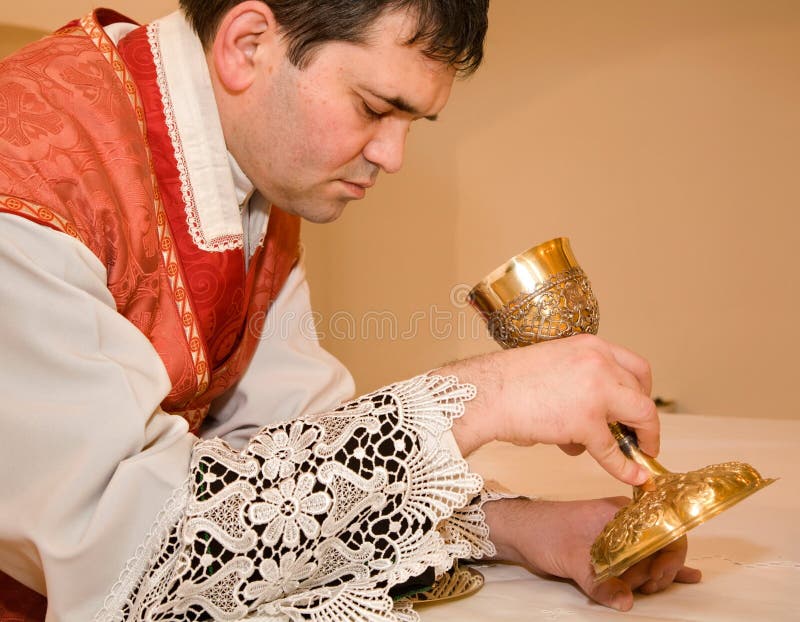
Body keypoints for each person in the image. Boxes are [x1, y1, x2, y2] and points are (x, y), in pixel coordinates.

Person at [0, 1, 701, 620]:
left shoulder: (254, 165)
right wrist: (483, 397)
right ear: (248, 45)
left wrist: (516, 526)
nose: (393, 155)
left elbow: (292, 452)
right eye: (375, 107)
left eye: (414, 120)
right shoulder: (23, 175)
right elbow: (116, 562)